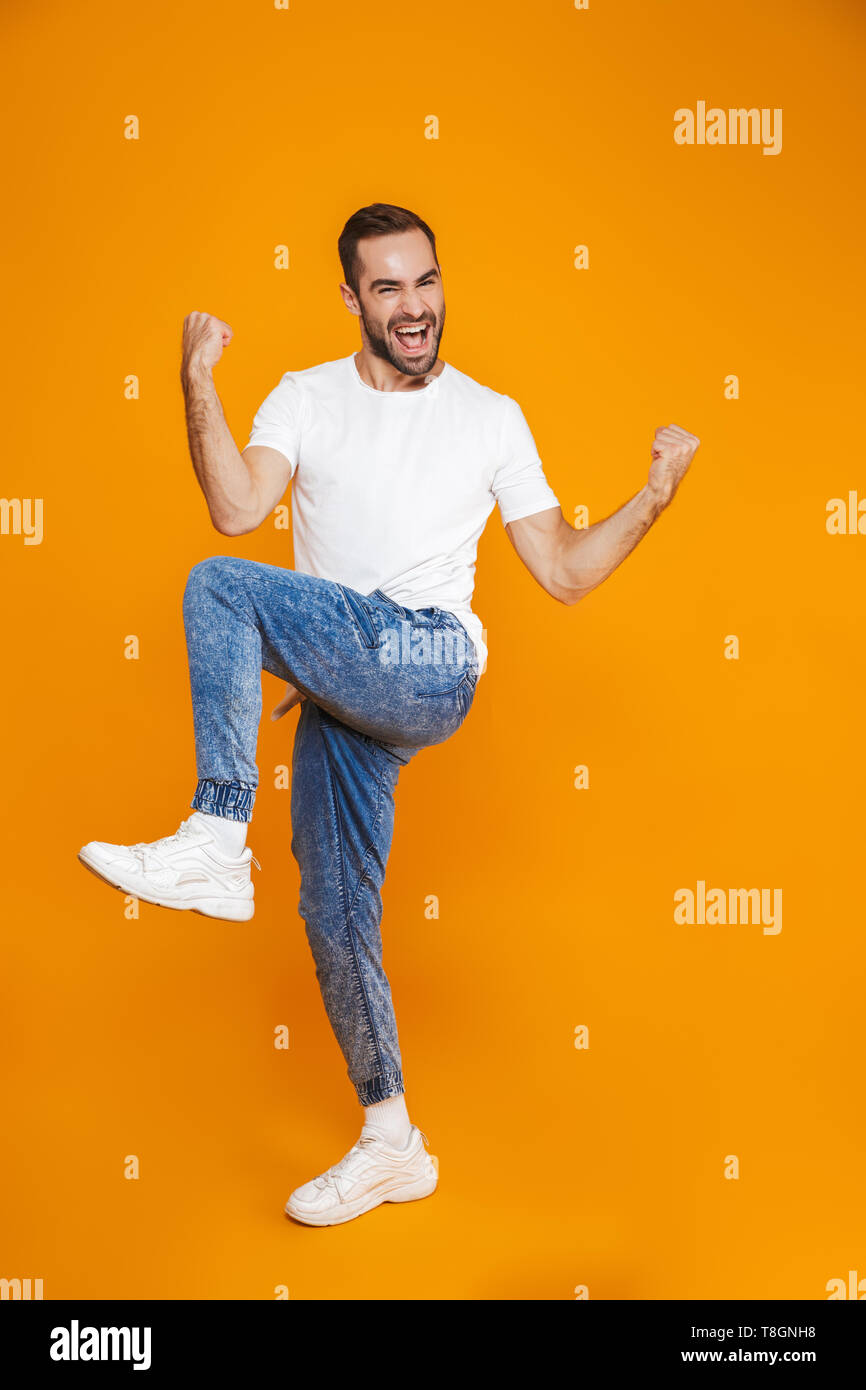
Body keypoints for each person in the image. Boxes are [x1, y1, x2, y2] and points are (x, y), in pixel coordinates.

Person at [78, 202, 700, 1228]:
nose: (414, 309)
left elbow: (561, 572)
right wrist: (197, 384)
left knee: (221, 588)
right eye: (388, 289)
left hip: (427, 659)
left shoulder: (489, 416)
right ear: (350, 298)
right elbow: (237, 508)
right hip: (342, 684)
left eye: (426, 283)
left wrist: (651, 497)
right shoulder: (304, 399)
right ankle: (390, 1139)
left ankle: (213, 834)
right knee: (332, 914)